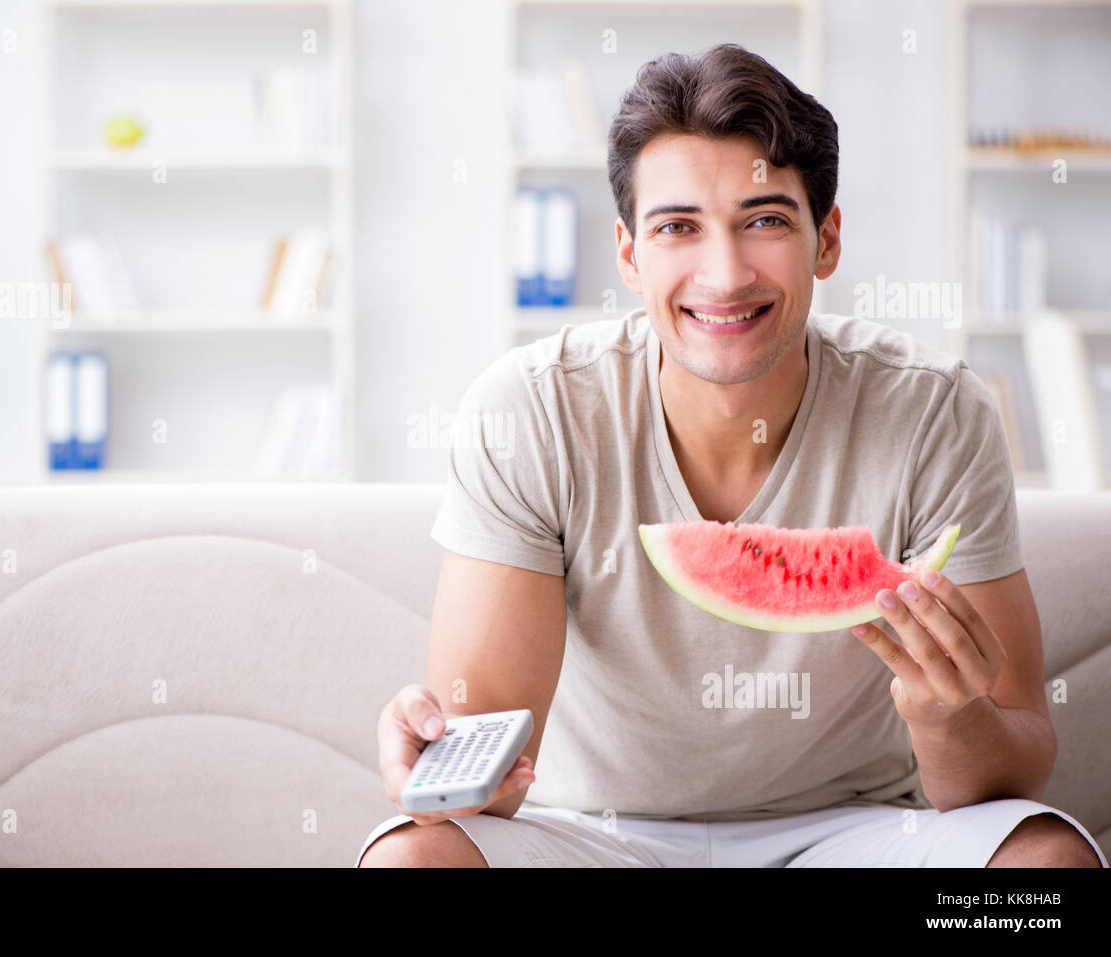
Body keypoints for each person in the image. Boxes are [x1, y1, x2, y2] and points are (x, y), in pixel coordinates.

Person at [357, 43, 1106, 868]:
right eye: (678, 227)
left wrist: (948, 717)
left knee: (1044, 870)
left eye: (765, 220)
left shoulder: (935, 412)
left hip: (853, 829)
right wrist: (436, 761)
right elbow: (493, 770)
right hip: (591, 833)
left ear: (827, 241)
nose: (723, 274)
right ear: (629, 253)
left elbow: (1018, 762)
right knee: (411, 859)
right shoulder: (532, 411)